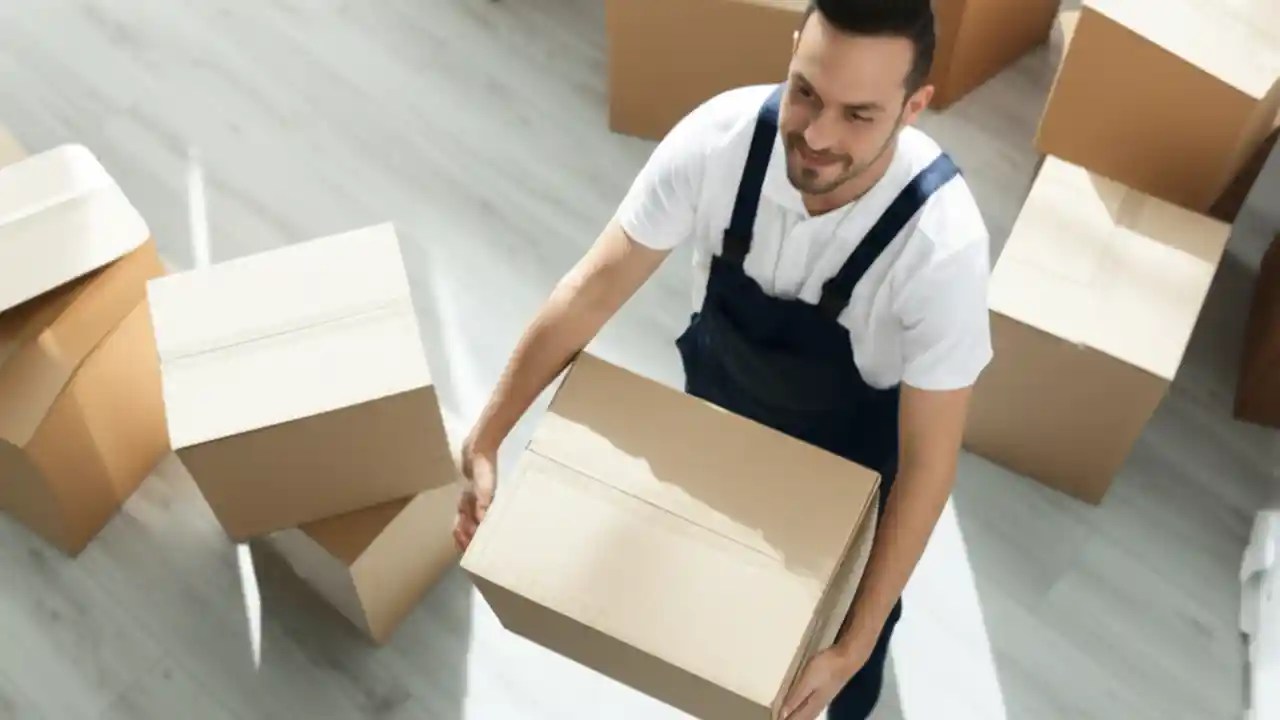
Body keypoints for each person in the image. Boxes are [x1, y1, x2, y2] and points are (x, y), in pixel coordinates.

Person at [453, 0, 992, 717]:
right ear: (795, 48)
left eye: (859, 115)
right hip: (723, 430)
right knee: (718, 609)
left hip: (853, 475)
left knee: (835, 667)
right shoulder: (719, 143)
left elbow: (928, 461)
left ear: (915, 105)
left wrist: (853, 646)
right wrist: (488, 436)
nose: (819, 137)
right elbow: (592, 290)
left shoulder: (942, 247)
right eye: (806, 92)